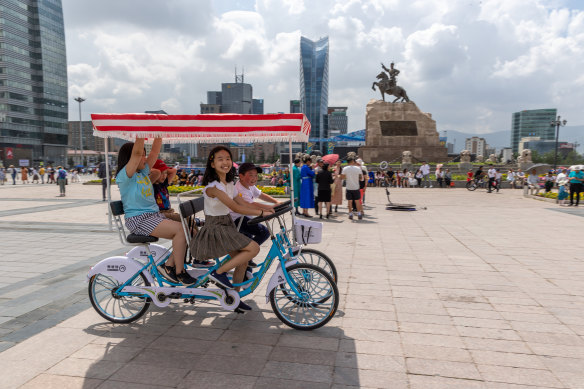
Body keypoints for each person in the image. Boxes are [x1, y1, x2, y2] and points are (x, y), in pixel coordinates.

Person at [191, 146, 271, 310]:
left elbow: (242, 202)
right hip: (215, 228)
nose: (225, 162)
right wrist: (261, 212)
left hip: (225, 225)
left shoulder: (228, 183)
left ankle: (234, 297)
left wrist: (266, 209)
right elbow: (236, 207)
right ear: (212, 164)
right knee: (253, 248)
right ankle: (218, 273)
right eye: (220, 159)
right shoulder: (214, 187)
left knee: (243, 260)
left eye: (227, 158)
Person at [115, 138, 195, 285]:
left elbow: (155, 152)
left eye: (145, 156)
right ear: (131, 158)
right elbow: (137, 152)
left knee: (190, 227)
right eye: (141, 156)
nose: (145, 158)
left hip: (153, 216)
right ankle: (176, 270)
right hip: (139, 219)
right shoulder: (125, 176)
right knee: (181, 230)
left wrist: (158, 132)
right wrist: (141, 132)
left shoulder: (143, 173)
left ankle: (171, 264)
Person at [231, 162, 278, 255]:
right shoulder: (240, 189)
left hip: (245, 218)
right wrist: (269, 208)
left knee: (249, 240)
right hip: (237, 220)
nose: (254, 178)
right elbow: (251, 204)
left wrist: (276, 202)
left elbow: (261, 195)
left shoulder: (249, 185)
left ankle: (246, 258)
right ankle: (247, 255)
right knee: (264, 232)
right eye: (251, 175)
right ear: (241, 176)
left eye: (256, 175)